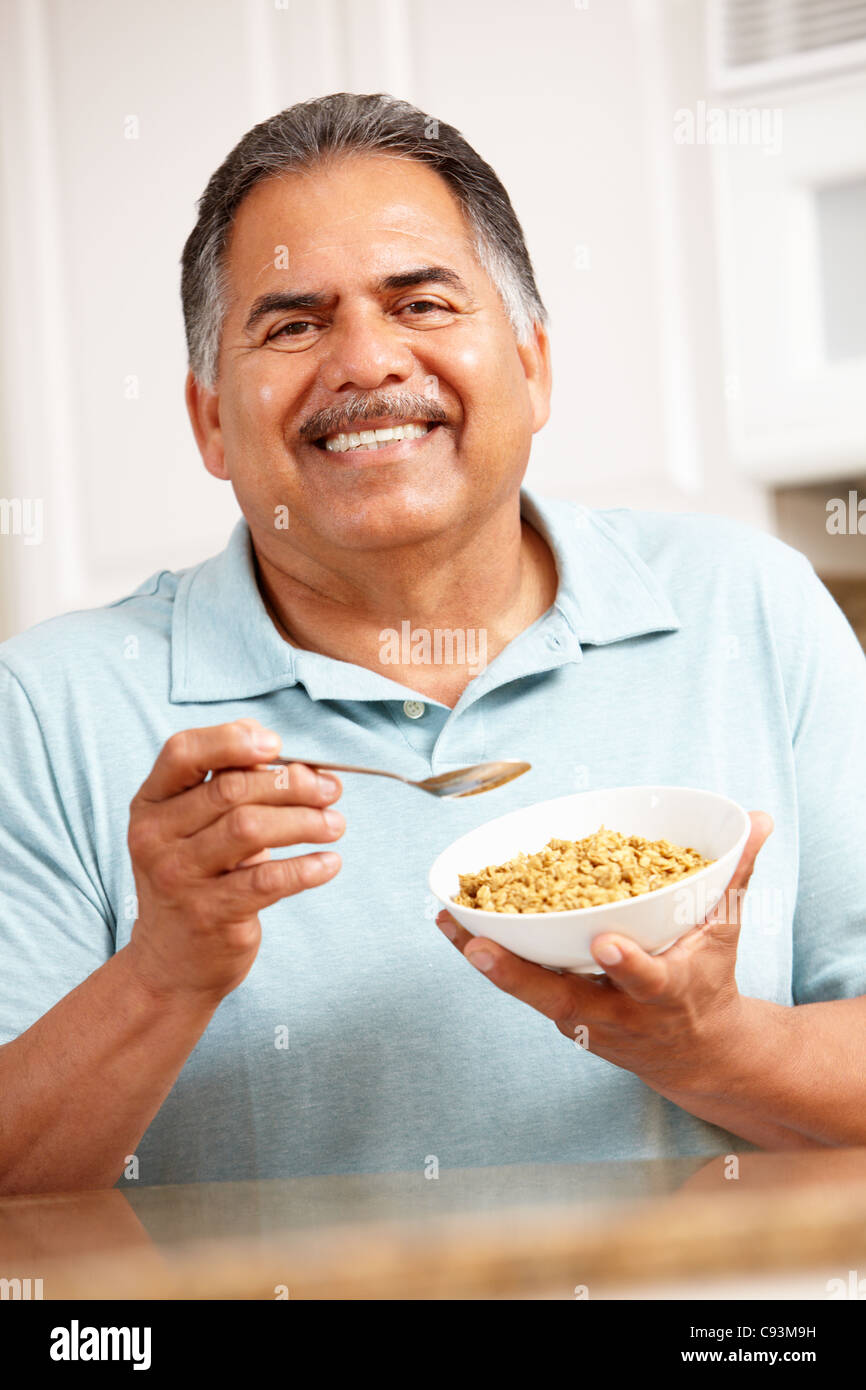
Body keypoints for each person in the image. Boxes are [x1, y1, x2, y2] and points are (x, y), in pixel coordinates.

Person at [1, 93, 865, 1196]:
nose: (364, 362)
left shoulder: (750, 608)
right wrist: (164, 976)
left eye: (420, 301)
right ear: (210, 419)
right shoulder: (49, 706)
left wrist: (709, 1045)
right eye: (293, 323)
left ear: (531, 365)